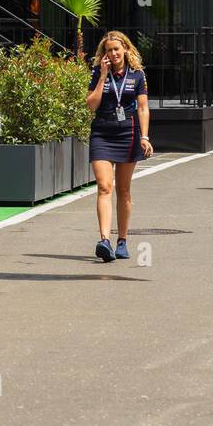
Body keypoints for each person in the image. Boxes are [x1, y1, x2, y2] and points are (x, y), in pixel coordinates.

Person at [87, 31, 153, 263]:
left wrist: (145, 137)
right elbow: (91, 105)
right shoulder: (97, 72)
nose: (113, 53)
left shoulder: (137, 75)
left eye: (117, 49)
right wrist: (103, 76)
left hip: (129, 132)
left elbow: (143, 108)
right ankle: (104, 240)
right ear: (104, 54)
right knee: (105, 186)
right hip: (102, 132)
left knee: (123, 190)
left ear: (125, 49)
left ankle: (122, 240)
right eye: (108, 50)